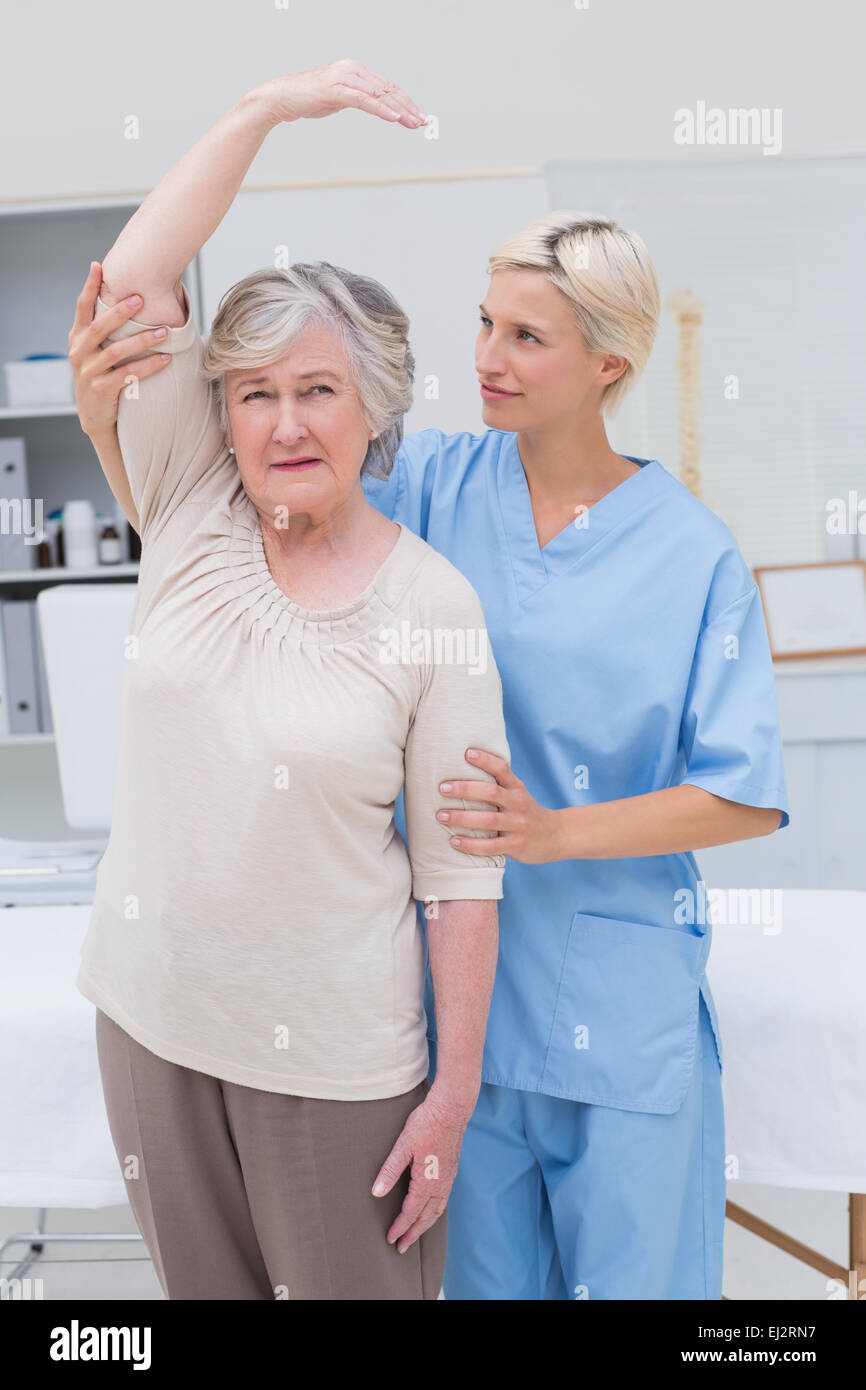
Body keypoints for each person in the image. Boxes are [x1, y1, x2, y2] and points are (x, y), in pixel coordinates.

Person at [73, 60, 790, 1300]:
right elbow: (271, 478)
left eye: (524, 335)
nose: (487, 355)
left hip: (599, 1004)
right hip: (431, 1007)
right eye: (482, 322)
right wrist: (110, 418)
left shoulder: (691, 556)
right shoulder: (433, 484)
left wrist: (554, 831)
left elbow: (742, 791)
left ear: (609, 363)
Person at [68, 62, 512, 1301]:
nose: (284, 424)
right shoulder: (188, 505)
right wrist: (259, 113)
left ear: (374, 407)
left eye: (317, 389)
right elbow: (134, 286)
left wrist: (453, 1095)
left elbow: (459, 879)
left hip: (334, 1063)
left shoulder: (433, 607)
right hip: (149, 1023)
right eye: (254, 394)